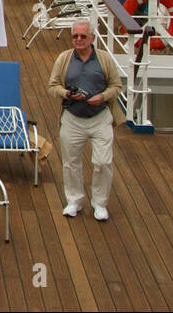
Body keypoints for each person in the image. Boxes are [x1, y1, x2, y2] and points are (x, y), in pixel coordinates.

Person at [48, 20, 122, 221]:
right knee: (71, 163)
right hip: (73, 118)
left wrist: (103, 96)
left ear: (92, 38)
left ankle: (99, 203)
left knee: (103, 162)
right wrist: (67, 93)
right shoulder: (64, 59)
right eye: (75, 36)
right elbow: (52, 85)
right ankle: (74, 201)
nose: (78, 40)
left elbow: (116, 86)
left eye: (82, 36)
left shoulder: (104, 60)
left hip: (100, 118)